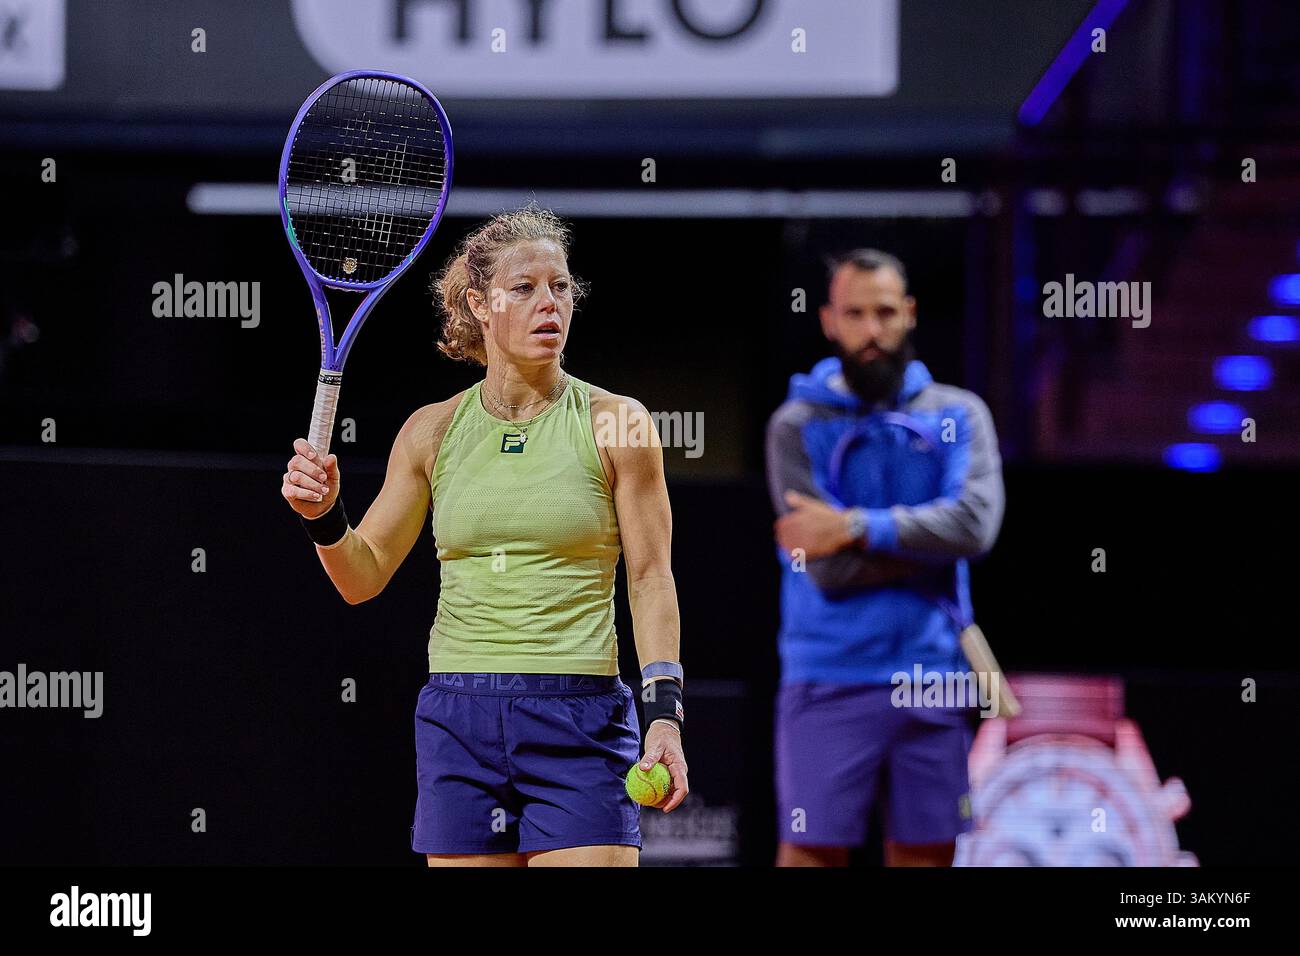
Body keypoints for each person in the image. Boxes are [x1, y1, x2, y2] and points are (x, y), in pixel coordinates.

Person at [281, 204, 688, 867]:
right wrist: (325, 516)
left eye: (560, 286)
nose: (549, 302)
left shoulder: (619, 423)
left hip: (580, 718)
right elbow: (363, 575)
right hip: (460, 721)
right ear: (479, 303)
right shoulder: (431, 431)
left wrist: (664, 713)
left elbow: (650, 578)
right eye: (524, 288)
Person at [766, 248, 1004, 866]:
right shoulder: (796, 424)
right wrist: (929, 547)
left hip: (934, 675)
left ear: (911, 314)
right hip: (827, 676)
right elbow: (828, 570)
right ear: (828, 320)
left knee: (926, 854)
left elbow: (975, 526)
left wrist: (850, 525)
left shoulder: (960, 414)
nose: (871, 331)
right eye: (855, 314)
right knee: (809, 854)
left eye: (885, 312)